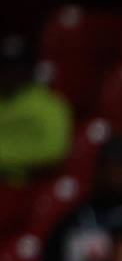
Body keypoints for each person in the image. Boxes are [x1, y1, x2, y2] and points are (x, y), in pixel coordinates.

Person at [0, 33, 71, 181]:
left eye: (17, 67)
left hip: (29, 188)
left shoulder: (49, 105)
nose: (10, 73)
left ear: (30, 69)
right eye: (5, 66)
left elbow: (54, 151)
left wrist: (5, 157)